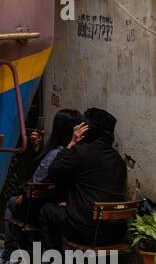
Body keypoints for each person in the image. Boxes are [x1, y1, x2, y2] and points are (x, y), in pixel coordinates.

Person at [38, 106, 128, 252]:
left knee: (47, 210)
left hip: (86, 232)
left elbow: (54, 171)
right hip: (115, 233)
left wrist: (71, 143)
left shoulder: (80, 153)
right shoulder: (118, 160)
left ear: (85, 130)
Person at [0, 108, 81, 263]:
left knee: (10, 203)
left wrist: (23, 193)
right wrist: (38, 149)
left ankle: (8, 250)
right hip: (58, 208)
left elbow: (36, 181)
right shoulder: (76, 153)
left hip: (38, 209)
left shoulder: (56, 154)